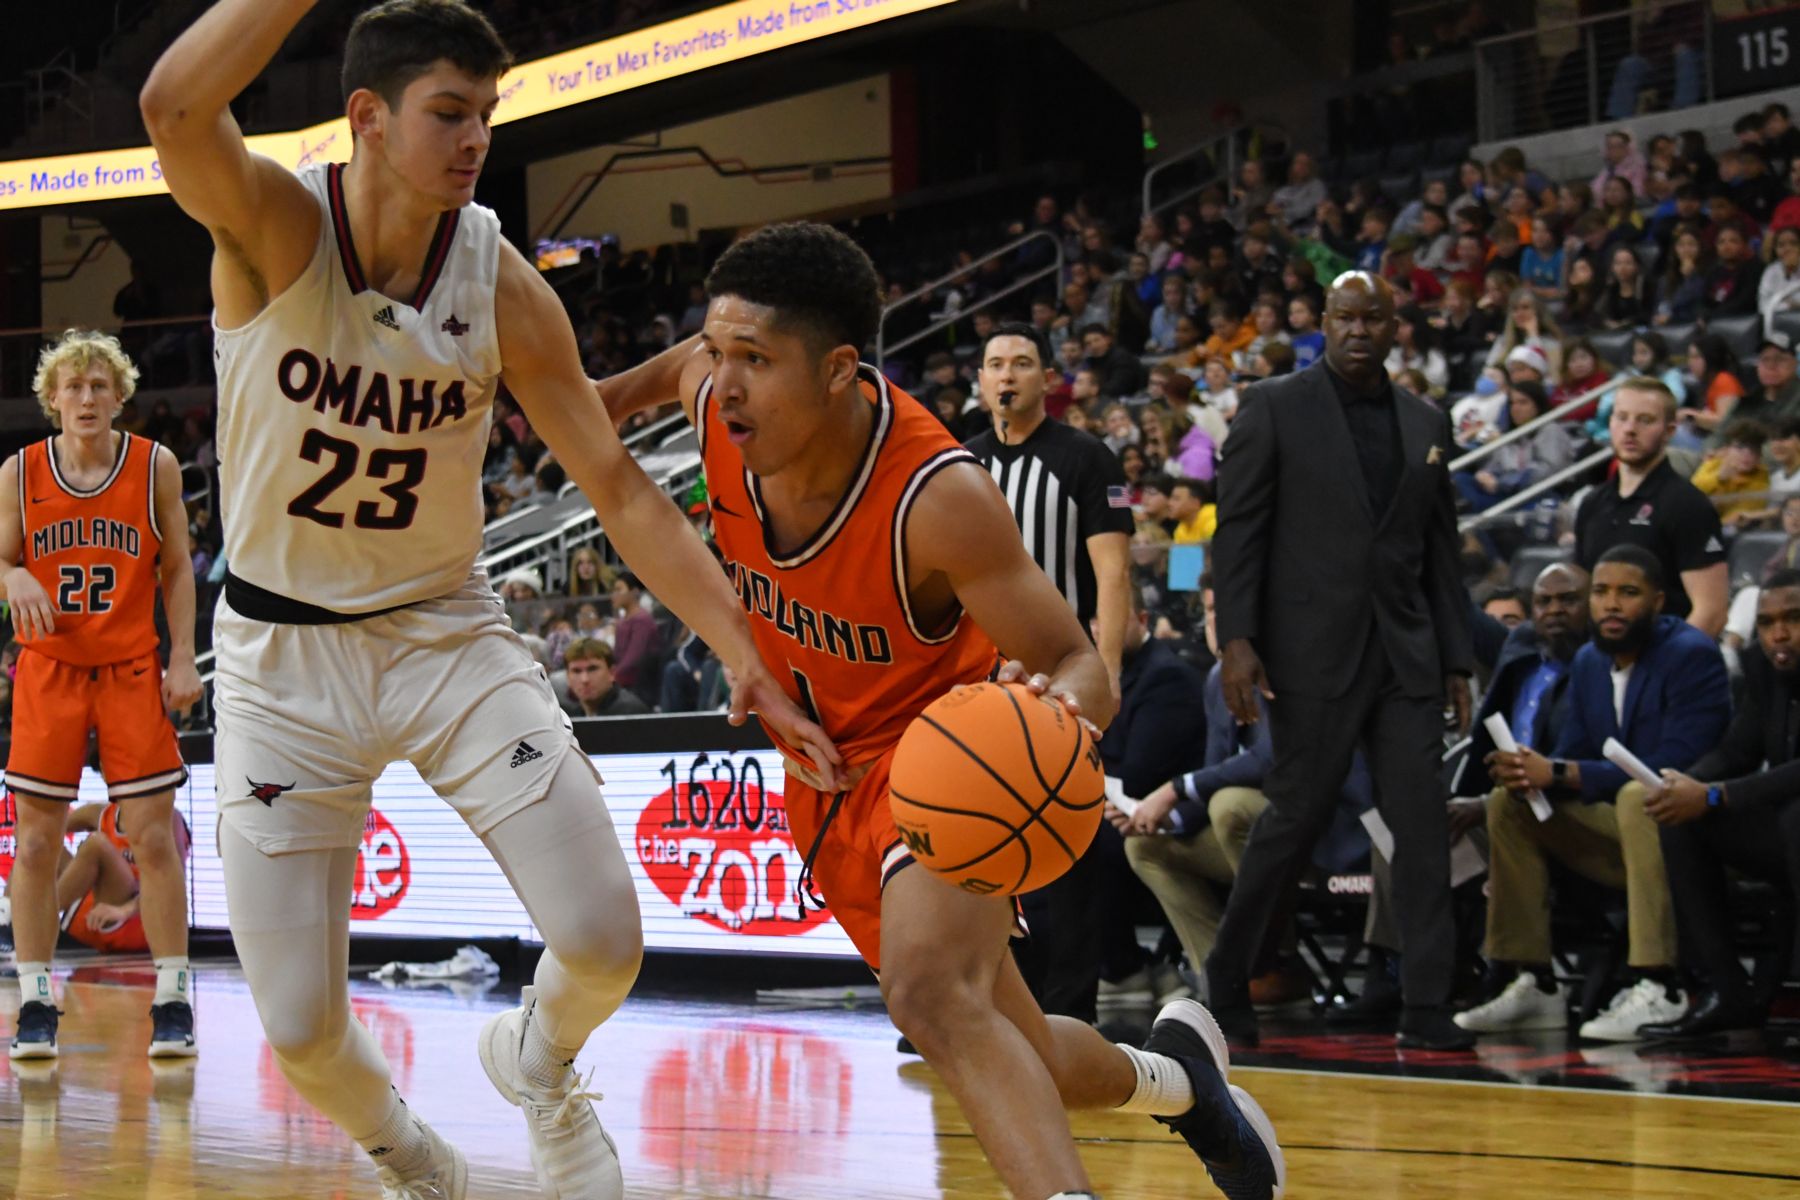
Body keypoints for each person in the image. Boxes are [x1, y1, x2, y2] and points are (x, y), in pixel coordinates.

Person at [140, 3, 837, 1196]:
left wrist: (741, 648)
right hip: (280, 659)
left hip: (444, 633)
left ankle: (540, 1064)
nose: (475, 142)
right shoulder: (273, 224)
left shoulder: (501, 281)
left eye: (488, 117)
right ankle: (416, 1161)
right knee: (301, 1030)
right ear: (366, 118)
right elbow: (173, 108)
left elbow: (616, 486)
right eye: (449, 114)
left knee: (607, 938)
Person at [598, 221, 1283, 1200]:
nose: (728, 378)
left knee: (927, 994)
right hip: (820, 781)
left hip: (941, 757)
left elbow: (1076, 661)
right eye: (721, 350)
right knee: (1019, 1048)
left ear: (838, 369)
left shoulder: (937, 495)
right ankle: (1181, 1085)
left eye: (757, 358)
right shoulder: (716, 396)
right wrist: (585, 399)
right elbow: (660, 380)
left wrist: (1052, 721)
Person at [1209, 271, 1476, 1051]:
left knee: (1423, 827)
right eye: (1346, 317)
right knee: (1292, 819)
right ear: (1324, 322)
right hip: (1307, 652)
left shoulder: (1427, 420)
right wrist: (1236, 642)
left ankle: (1427, 1004)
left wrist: (1457, 659)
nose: (1360, 331)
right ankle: (1226, 976)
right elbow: (1239, 532)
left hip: (1405, 653)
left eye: (1376, 319)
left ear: (1398, 328)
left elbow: (1439, 553)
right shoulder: (1274, 406)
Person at [1, 329, 202, 1061]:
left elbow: (178, 568)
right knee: (35, 842)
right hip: (50, 671)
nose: (86, 398)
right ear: (51, 399)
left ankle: (174, 998)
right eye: (72, 386)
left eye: (98, 386)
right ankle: (32, 1001)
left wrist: (182, 657)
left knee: (152, 838)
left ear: (120, 396)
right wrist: (12, 574)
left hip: (128, 669)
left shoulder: (155, 466)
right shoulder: (20, 473)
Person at [1464, 545, 1730, 1041]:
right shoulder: (1588, 661)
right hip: (1616, 837)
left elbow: (1672, 763)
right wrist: (1529, 774)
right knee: (1509, 802)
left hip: (1690, 836)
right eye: (1603, 593)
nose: (1610, 605)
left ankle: (1659, 984)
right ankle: (1533, 980)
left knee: (1640, 796)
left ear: (1658, 602)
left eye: (1627, 593)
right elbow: (1573, 751)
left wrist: (1561, 773)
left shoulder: (1692, 655)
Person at [964, 322, 1136, 1024]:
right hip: (974, 685)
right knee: (978, 840)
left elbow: (1114, 570)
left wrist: (1111, 670)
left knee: (1064, 840)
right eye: (996, 364)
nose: (1007, 375)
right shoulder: (958, 463)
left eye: (1023, 364)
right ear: (980, 381)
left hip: (1060, 677)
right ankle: (982, 1005)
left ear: (1047, 381)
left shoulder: (1088, 457)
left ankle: (1068, 1008)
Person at [1119, 576, 1372, 988]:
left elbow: (1273, 760)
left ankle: (1272, 960)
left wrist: (1175, 789)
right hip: (1261, 837)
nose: (1217, 622)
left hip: (1329, 834)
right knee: (1144, 845)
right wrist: (1168, 819)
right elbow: (1214, 772)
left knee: (1231, 805)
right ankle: (1219, 973)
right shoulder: (1218, 678)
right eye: (1212, 611)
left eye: (1227, 610)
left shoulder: (1297, 669)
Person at [1646, 570, 1800, 1036]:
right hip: (1787, 833)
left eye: (1793, 619)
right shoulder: (1761, 667)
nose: (1779, 633)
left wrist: (1718, 795)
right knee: (1682, 818)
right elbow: (1738, 750)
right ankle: (1726, 987)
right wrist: (1688, 785)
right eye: (1768, 621)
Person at [1574, 377, 1728, 636]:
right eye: (1621, 417)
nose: (1630, 429)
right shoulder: (1592, 504)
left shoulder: (1687, 504)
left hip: (1664, 659)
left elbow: (1711, 612)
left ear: (1669, 431)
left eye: (1645, 420)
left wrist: (1664, 668)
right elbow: (1585, 595)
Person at [3, 800, 193, 958]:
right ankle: (5, 921)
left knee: (97, 845)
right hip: (96, 917)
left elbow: (174, 888)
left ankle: (27, 924)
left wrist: (124, 910)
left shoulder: (169, 817)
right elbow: (39, 831)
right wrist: (29, 835)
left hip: (138, 920)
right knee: (35, 841)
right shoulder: (101, 813)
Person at [1691, 419, 1772, 528]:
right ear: (1727, 449)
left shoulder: (1760, 483)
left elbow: (1733, 519)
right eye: (1740, 448)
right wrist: (1718, 478)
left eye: (1754, 450)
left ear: (1759, 456)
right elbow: (1691, 490)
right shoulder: (1716, 462)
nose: (1747, 455)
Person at [557, 638, 648, 718]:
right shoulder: (566, 715)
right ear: (568, 677)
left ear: (612, 673)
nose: (585, 679)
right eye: (576, 671)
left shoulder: (631, 713)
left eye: (592, 669)